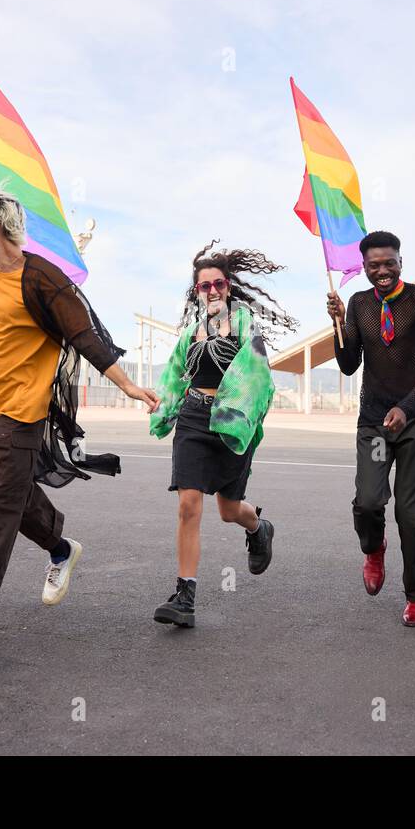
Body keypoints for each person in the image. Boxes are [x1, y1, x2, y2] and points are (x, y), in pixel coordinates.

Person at [0, 177, 158, 666]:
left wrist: (127, 384)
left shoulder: (41, 278)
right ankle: (62, 548)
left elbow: (85, 336)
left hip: (23, 412)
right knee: (15, 497)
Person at [149, 242, 299, 628]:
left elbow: (258, 375)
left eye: (218, 284)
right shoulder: (189, 334)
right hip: (194, 420)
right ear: (196, 291)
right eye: (204, 286)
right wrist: (163, 407)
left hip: (232, 421)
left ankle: (258, 527)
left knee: (229, 510)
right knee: (188, 505)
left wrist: (241, 412)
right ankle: (185, 596)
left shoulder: (246, 323)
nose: (212, 291)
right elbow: (173, 378)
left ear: (228, 287)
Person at [326, 231, 415, 626]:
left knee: (411, 515)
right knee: (368, 501)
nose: (382, 271)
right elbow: (347, 364)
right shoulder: (360, 304)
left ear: (400, 261)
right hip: (375, 424)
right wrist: (337, 324)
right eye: (373, 265)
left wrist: (407, 407)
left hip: (413, 421)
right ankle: (373, 548)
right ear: (363, 267)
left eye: (388, 263)